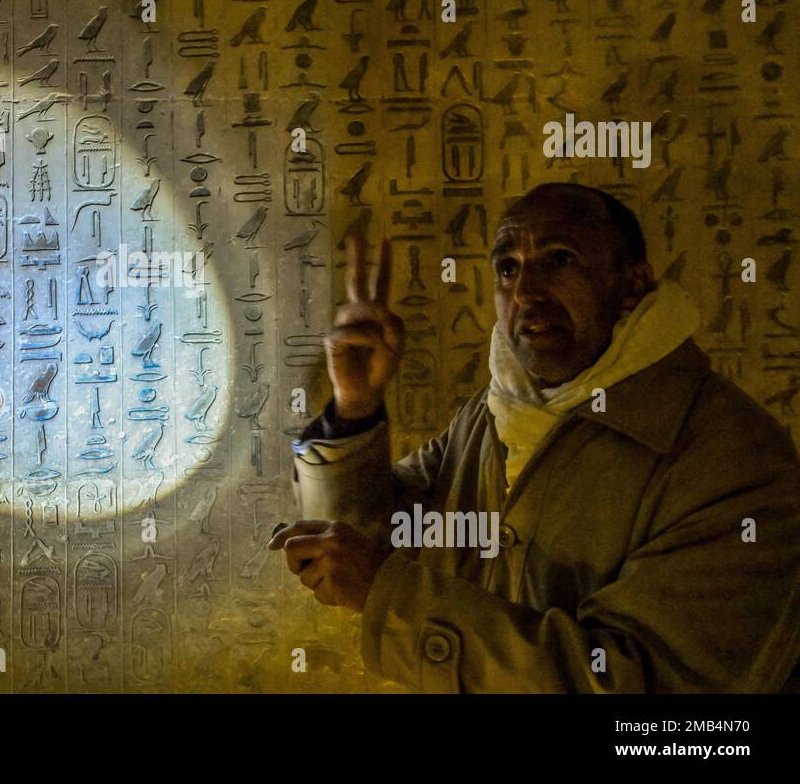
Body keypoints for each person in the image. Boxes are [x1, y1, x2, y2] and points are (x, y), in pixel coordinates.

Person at [271, 182, 800, 692]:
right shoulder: (495, 410)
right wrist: (354, 411)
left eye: (560, 260)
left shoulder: (734, 460)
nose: (526, 292)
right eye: (508, 268)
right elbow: (381, 538)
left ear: (633, 285)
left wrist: (387, 592)